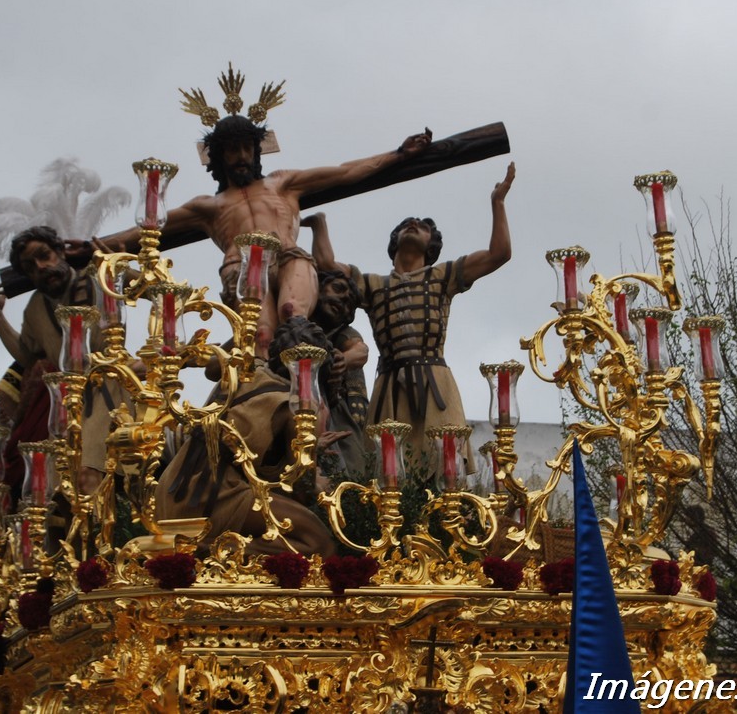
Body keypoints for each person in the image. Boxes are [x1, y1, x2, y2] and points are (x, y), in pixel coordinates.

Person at [93, 113, 433, 357]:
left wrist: (398, 155)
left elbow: (345, 172)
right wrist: (96, 248)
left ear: (256, 151)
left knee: (292, 313)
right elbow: (148, 229)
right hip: (240, 268)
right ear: (219, 157)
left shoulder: (282, 182)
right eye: (232, 150)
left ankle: (314, 384)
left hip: (289, 256)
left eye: (246, 148)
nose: (241, 156)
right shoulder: (208, 207)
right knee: (261, 340)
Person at [307, 162, 516, 478]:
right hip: (390, 386)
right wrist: (318, 223)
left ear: (431, 247)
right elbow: (326, 263)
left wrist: (497, 203)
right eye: (406, 224)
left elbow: (498, 254)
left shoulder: (443, 276)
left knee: (444, 468)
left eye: (421, 225)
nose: (414, 224)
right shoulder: (374, 284)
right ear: (393, 242)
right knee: (387, 472)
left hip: (436, 384)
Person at [155, 316, 345, 557]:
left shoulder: (246, 370)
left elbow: (212, 369)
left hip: (172, 487)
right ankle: (212, 551)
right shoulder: (296, 409)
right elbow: (299, 490)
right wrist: (316, 472)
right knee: (318, 542)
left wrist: (245, 331)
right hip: (209, 494)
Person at [0, 225, 123, 488]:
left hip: (110, 386)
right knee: (48, 481)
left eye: (44, 255)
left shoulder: (98, 274)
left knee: (92, 468)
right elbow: (28, 357)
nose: (40, 266)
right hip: (65, 404)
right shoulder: (35, 308)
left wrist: (116, 264)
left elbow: (146, 284)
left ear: (60, 251)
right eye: (30, 266)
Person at [308, 267, 370, 477]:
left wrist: (344, 359)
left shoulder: (340, 334)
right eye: (337, 288)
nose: (343, 300)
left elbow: (360, 350)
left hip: (335, 418)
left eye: (349, 303)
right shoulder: (287, 325)